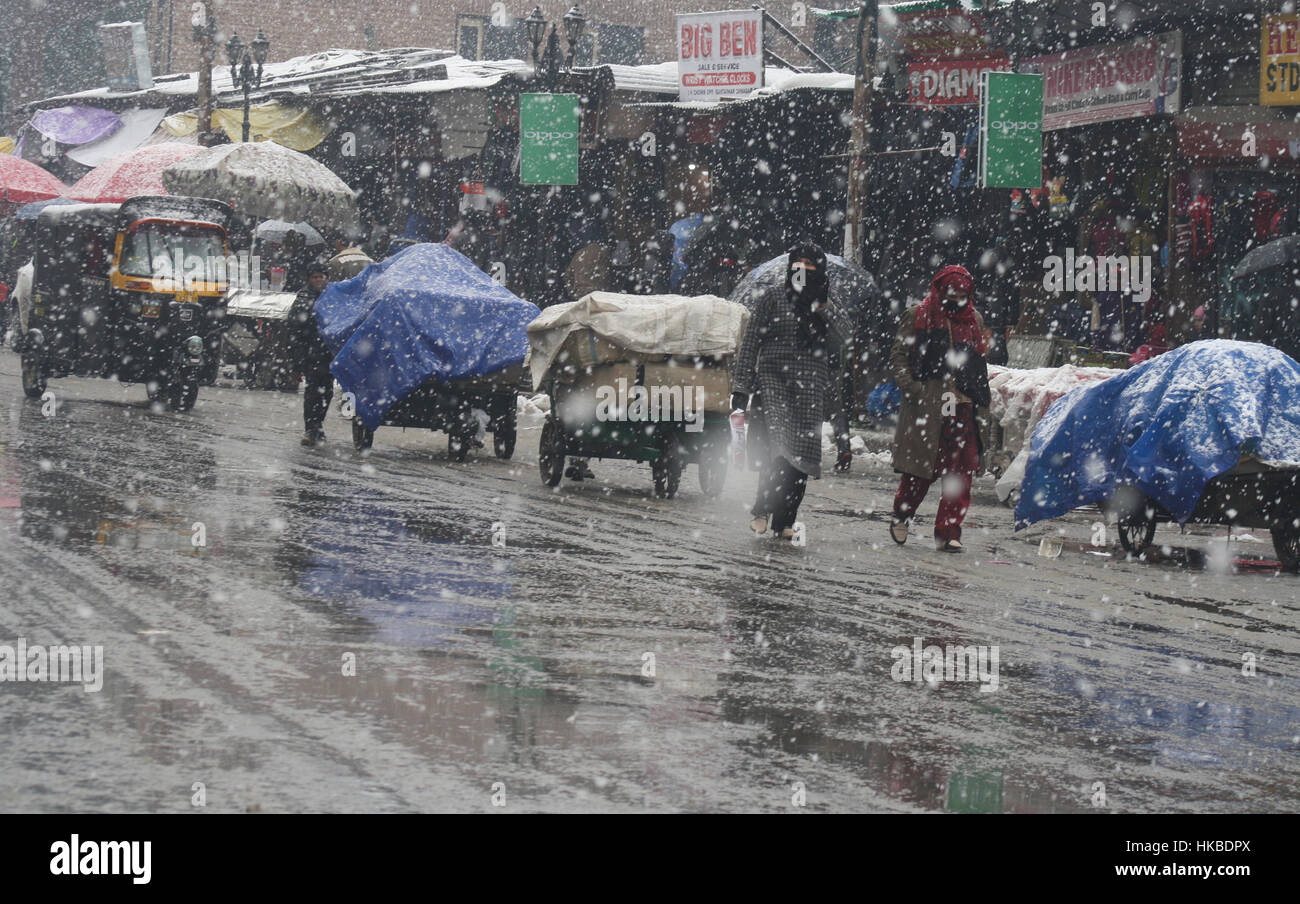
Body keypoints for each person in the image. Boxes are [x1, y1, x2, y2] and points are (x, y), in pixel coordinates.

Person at [732, 242, 832, 540]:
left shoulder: (826, 302)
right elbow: (751, 343)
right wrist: (742, 386)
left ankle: (786, 520)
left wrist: (823, 307)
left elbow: (842, 340)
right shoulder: (773, 297)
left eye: (809, 265)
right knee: (777, 451)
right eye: (797, 263)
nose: (802, 270)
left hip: (810, 388)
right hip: (774, 382)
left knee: (801, 457)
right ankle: (762, 509)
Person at [889, 264, 991, 552]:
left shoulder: (974, 319)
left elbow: (978, 361)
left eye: (962, 292)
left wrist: (980, 398)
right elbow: (899, 358)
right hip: (930, 406)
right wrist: (916, 390)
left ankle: (949, 531)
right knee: (921, 471)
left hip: (964, 405)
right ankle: (902, 514)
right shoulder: (918, 316)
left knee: (960, 473)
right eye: (951, 291)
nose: (957, 296)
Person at [288, 262, 334, 446]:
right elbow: (296, 332)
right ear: (309, 279)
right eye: (315, 277)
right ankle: (311, 427)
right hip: (311, 355)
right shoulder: (303, 299)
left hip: (328, 355)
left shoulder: (332, 297)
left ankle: (318, 425)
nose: (319, 280)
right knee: (313, 392)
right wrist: (297, 364)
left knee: (327, 392)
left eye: (322, 276)